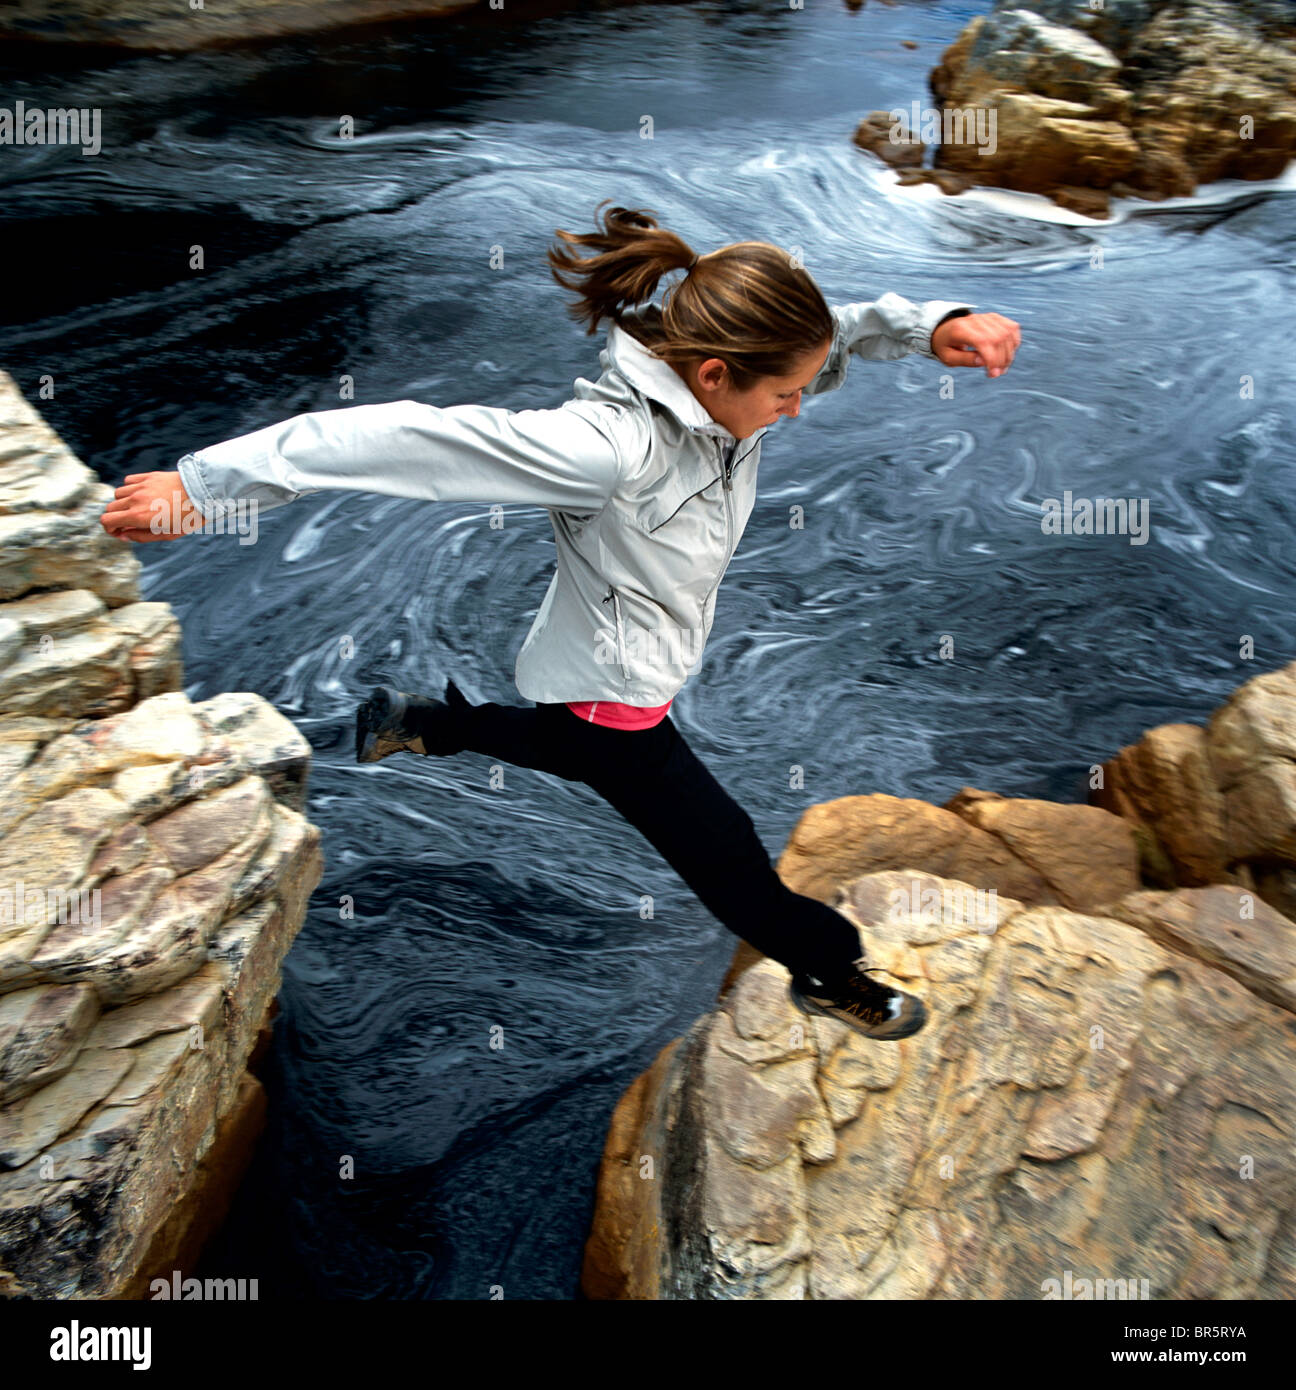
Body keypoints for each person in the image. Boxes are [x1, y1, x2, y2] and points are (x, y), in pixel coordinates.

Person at [101, 200, 1020, 1041]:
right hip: (617, 702)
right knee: (734, 866)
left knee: (565, 744)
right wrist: (206, 486)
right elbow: (397, 438)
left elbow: (839, 335)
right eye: (783, 399)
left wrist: (930, 325)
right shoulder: (604, 450)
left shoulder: (730, 392)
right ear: (712, 374)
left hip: (605, 678)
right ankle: (828, 974)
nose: (793, 410)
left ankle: (421, 724)